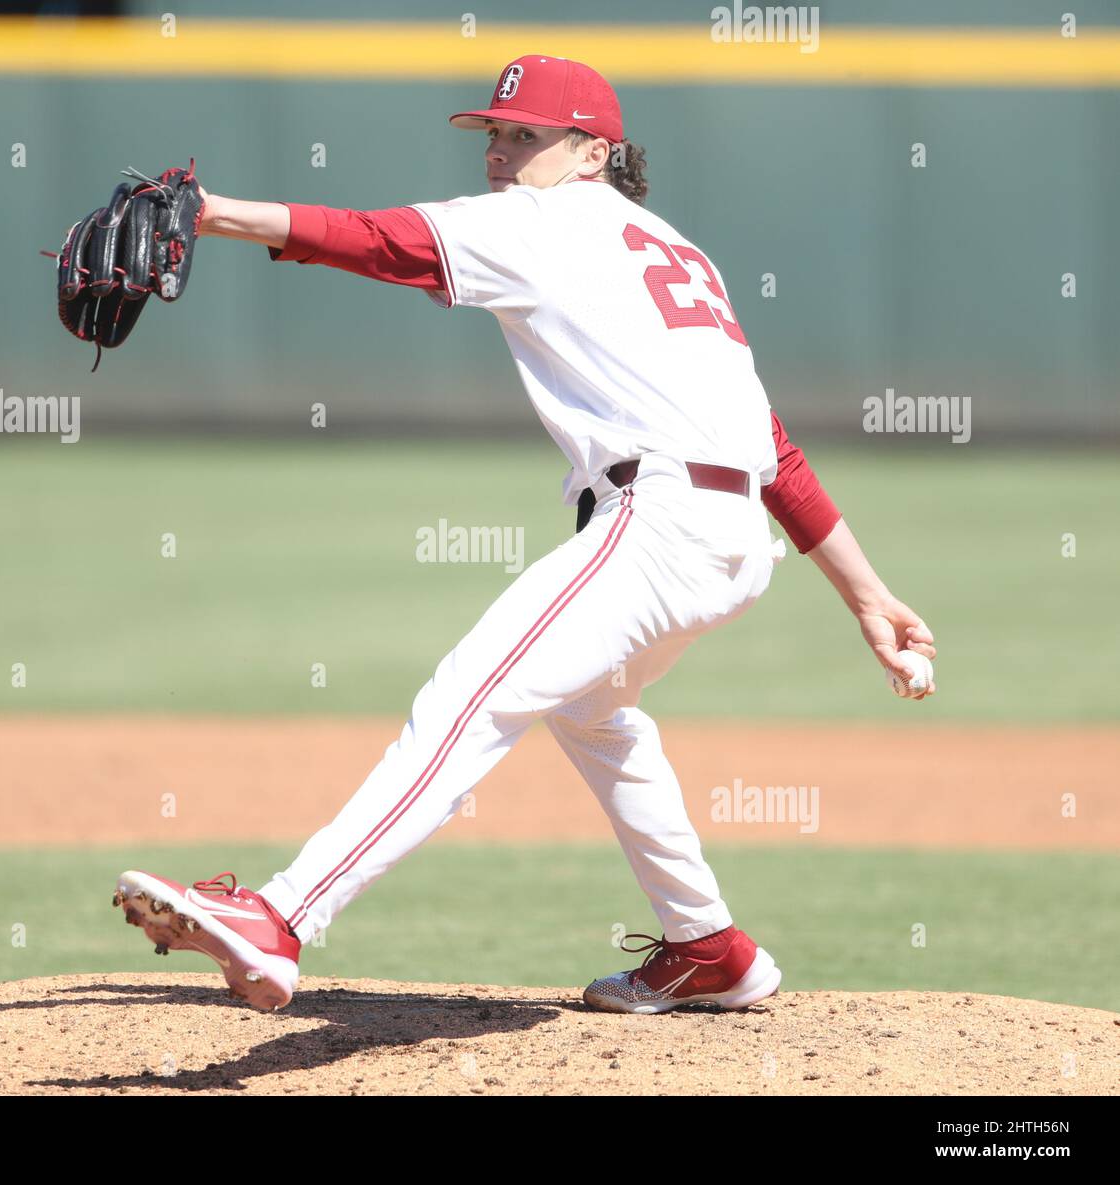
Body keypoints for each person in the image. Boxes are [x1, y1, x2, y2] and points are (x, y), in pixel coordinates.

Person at [113, 54, 937, 1015]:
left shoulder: (546, 219)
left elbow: (382, 241)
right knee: (593, 714)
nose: (500, 154)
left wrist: (212, 212)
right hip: (729, 539)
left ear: (592, 151)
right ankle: (709, 945)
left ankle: (282, 914)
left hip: (658, 522)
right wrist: (869, 595)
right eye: (493, 135)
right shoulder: (678, 254)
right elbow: (775, 454)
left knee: (474, 693)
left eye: (524, 137)